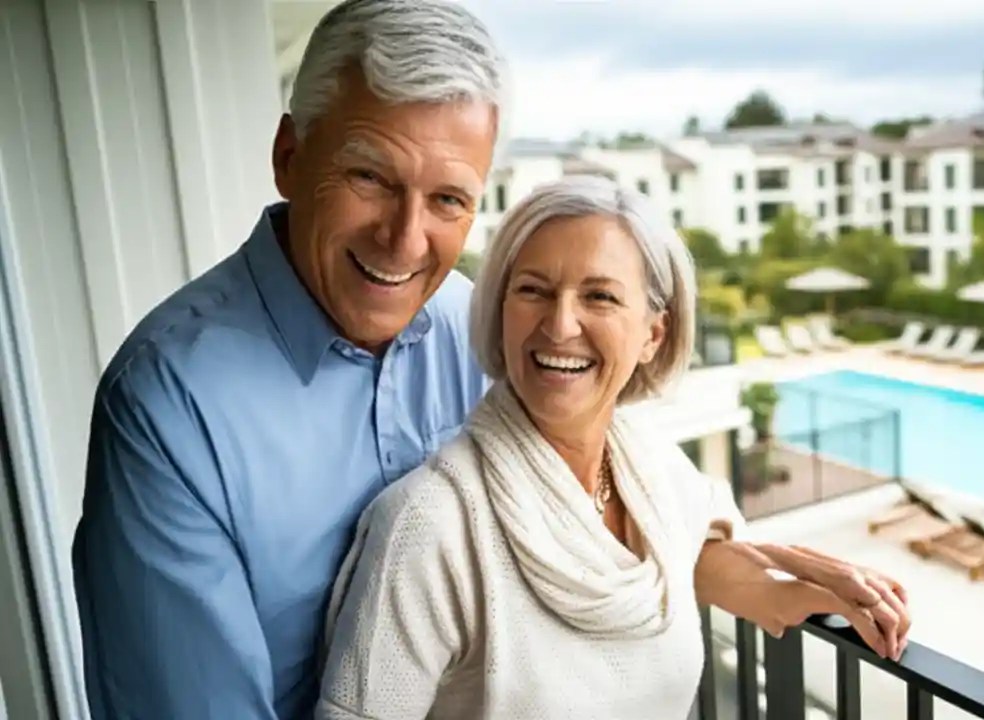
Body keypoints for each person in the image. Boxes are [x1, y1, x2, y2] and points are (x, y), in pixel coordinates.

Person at [72, 2, 909, 718]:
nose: (404, 240)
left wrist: (759, 571)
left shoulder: (483, 324)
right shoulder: (168, 405)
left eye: (447, 200)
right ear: (292, 157)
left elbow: (581, 513)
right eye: (369, 177)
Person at [316, 176, 900, 719]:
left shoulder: (653, 471)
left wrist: (795, 585)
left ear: (653, 334)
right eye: (533, 290)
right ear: (500, 313)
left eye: (599, 297)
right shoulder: (429, 528)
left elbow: (678, 557)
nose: (561, 324)